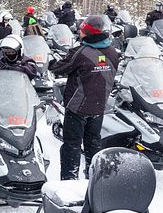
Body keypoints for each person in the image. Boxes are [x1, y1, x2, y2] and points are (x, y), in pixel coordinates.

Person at [49, 14, 120, 180]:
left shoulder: (81, 52)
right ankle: (94, 177)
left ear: (88, 32)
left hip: (78, 107)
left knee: (72, 146)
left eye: (82, 30)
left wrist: (50, 61)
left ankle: (69, 180)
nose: (79, 32)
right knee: (93, 143)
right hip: (99, 106)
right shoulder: (112, 52)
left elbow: (59, 68)